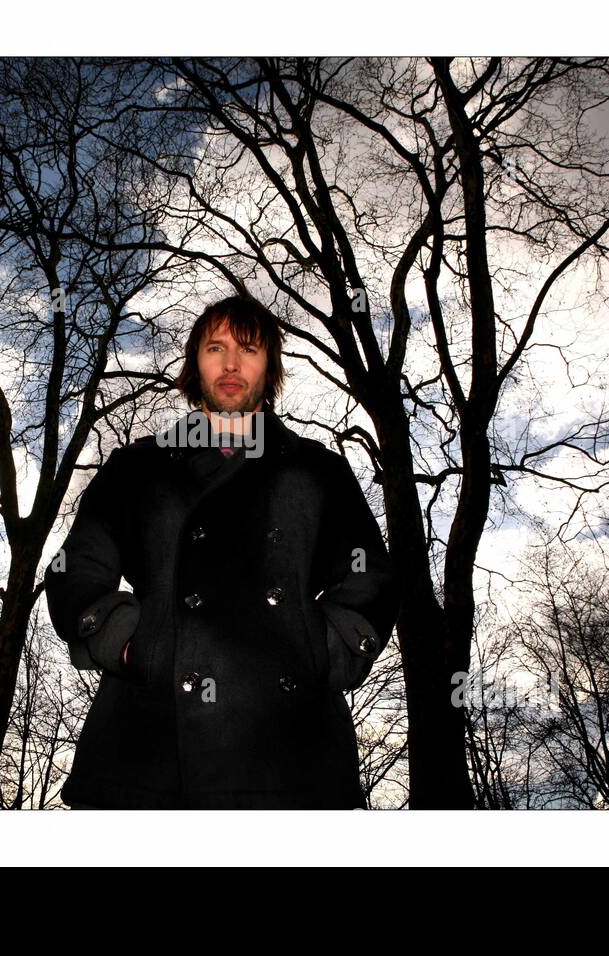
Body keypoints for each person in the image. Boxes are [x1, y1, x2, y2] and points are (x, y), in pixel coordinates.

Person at [44, 293, 400, 809]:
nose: (231, 364)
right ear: (195, 363)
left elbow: (370, 577)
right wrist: (129, 641)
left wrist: (319, 649)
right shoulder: (138, 467)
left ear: (270, 367)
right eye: (215, 348)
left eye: (250, 349)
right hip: (148, 748)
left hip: (294, 753)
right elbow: (75, 567)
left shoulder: (318, 470)